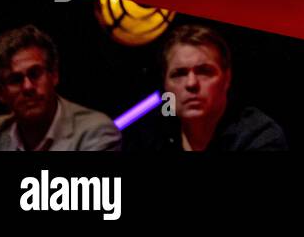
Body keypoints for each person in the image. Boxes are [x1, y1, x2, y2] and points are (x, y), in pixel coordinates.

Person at [123, 23, 287, 151]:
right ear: (165, 84)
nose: (191, 83)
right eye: (179, 74)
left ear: (227, 78)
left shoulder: (258, 136)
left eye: (204, 72)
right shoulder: (149, 135)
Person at [0, 24, 120, 151]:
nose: (28, 87)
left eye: (35, 74)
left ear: (54, 75)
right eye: (15, 80)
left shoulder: (95, 131)